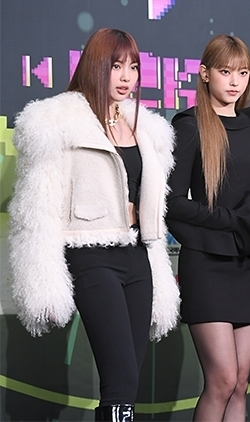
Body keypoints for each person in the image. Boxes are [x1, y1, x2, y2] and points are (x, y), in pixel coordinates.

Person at [8, 28, 180, 421]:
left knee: (129, 383)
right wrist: (42, 283)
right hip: (90, 256)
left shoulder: (144, 127)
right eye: (116, 66)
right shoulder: (56, 123)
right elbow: (37, 210)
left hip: (138, 257)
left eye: (133, 67)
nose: (126, 76)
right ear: (95, 66)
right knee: (120, 379)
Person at [165, 34, 250, 422]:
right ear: (205, 74)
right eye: (225, 71)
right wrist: (234, 220)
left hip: (248, 264)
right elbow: (173, 203)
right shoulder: (189, 126)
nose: (234, 81)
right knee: (221, 380)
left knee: (240, 383)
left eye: (243, 72)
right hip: (206, 264)